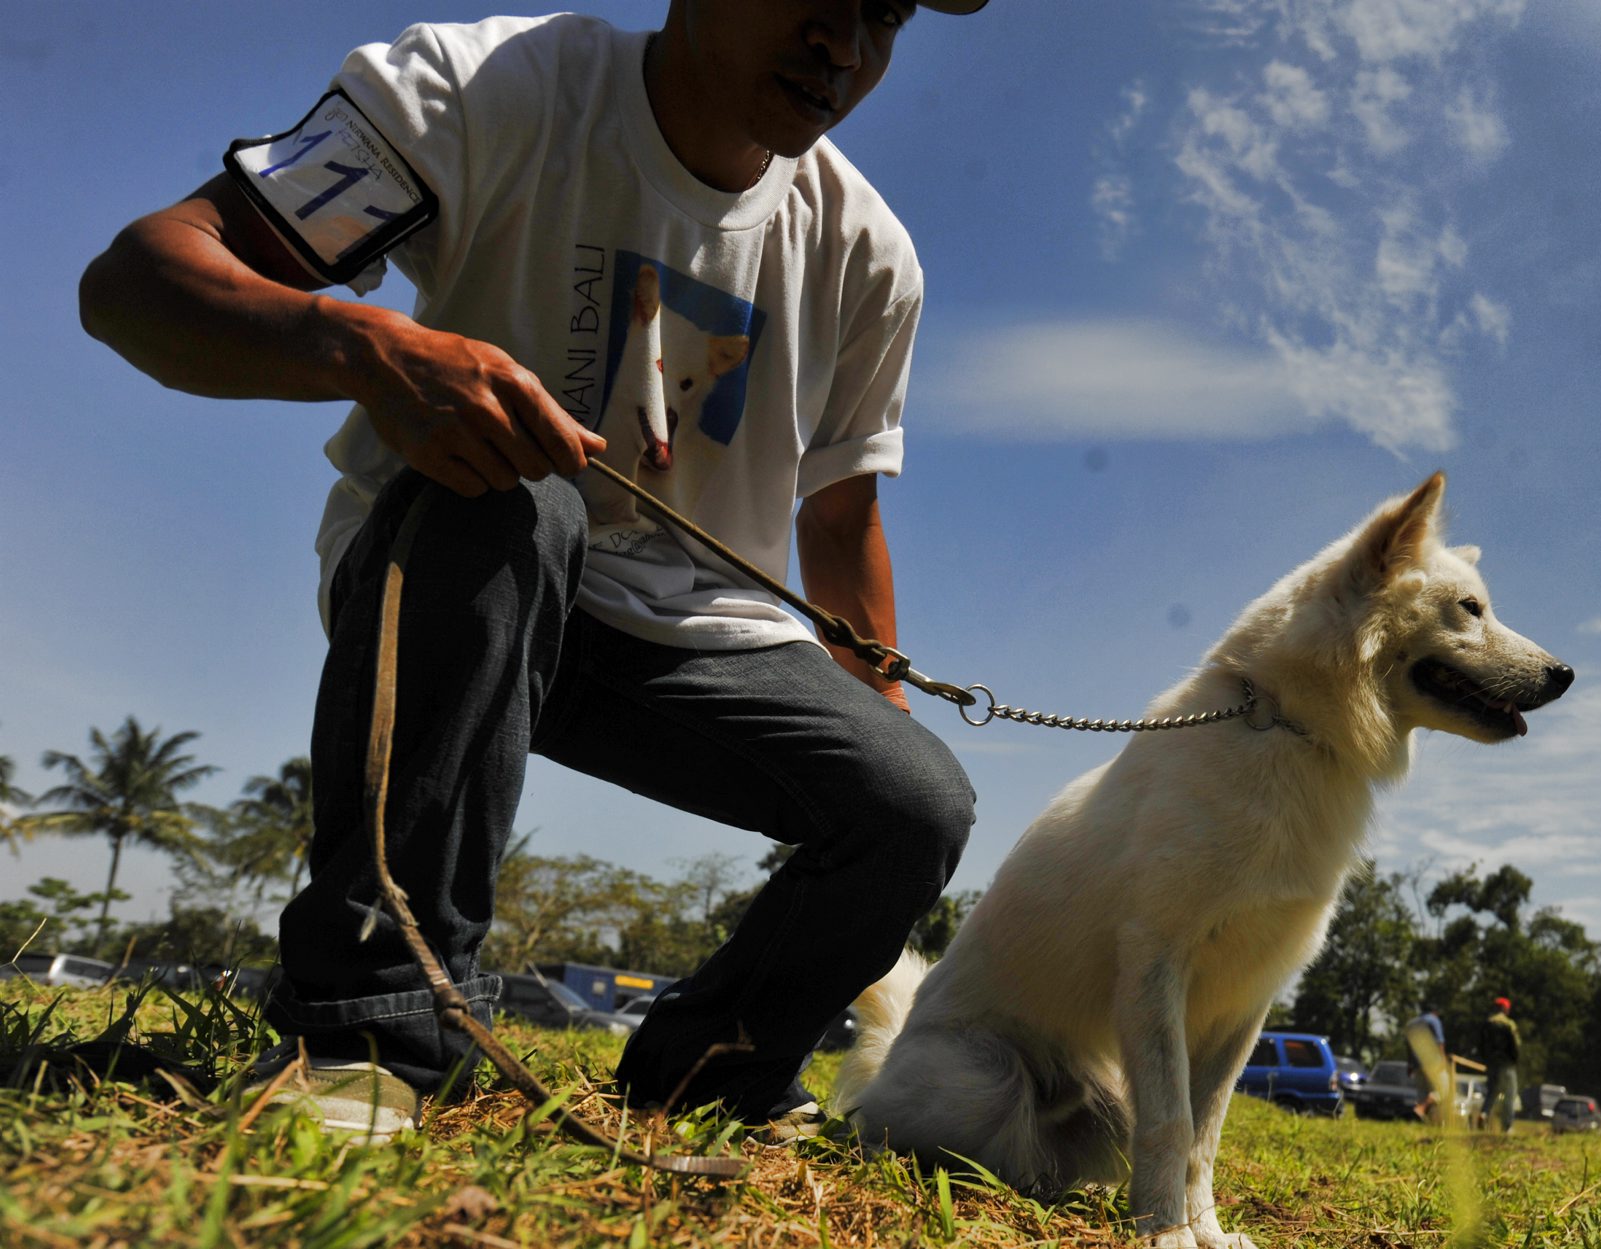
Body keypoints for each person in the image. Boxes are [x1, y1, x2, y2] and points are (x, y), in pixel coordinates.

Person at [78, 0, 988, 1142]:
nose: (844, 45)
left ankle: (713, 1072)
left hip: (696, 638)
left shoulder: (865, 250)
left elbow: (841, 515)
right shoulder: (488, 88)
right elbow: (136, 284)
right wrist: (371, 352)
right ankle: (368, 1038)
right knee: (518, 497)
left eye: (886, 14)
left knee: (917, 801)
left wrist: (885, 743)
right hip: (463, 560)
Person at [1479, 995, 1522, 1132]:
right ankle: (1507, 1125)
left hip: (1491, 1064)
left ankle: (1484, 1114)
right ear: (1504, 1008)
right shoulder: (1508, 1024)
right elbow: (1516, 1045)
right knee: (1510, 1094)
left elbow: (1481, 1044)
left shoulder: (1487, 1023)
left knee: (1492, 1092)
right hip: (1507, 1065)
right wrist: (1515, 1060)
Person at [1402, 1004, 1445, 1122]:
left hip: (1416, 1063)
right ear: (1434, 1011)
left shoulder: (1411, 1023)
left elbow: (1409, 1046)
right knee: (1442, 1092)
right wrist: (1442, 1060)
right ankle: (1420, 1109)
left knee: (1422, 1094)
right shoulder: (1434, 1020)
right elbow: (1440, 1042)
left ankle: (1424, 1121)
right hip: (1432, 1062)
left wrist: (1410, 1064)